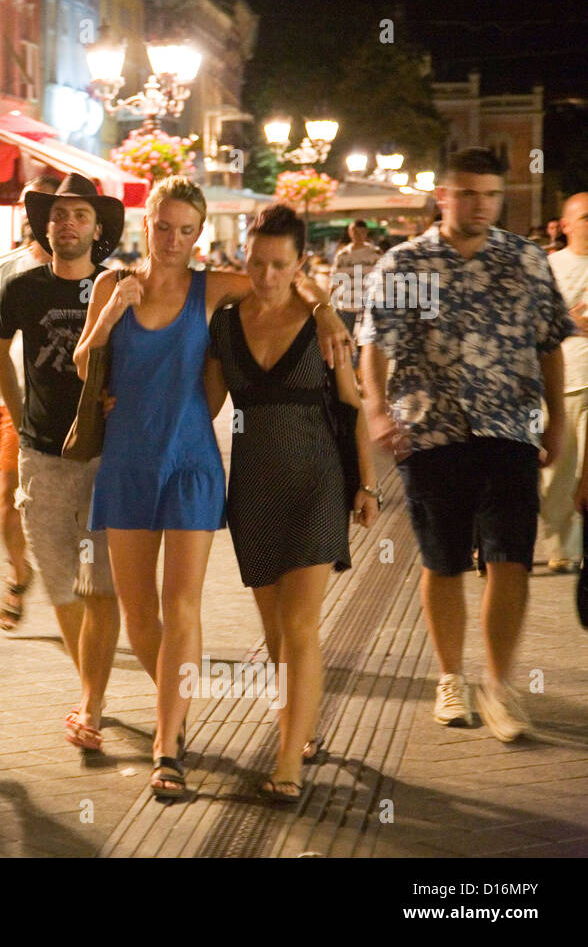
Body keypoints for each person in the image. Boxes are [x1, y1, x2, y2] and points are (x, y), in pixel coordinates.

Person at [74, 175, 347, 800]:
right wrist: (112, 313)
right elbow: (84, 363)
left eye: (186, 230)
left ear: (201, 236)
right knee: (140, 614)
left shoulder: (211, 287)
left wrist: (326, 306)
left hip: (193, 462)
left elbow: (279, 278)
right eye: (163, 226)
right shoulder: (112, 286)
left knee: (184, 608)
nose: (173, 239)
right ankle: (180, 700)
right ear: (146, 224)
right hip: (127, 464)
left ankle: (167, 744)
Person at [359, 147, 575, 742]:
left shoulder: (525, 260)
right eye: (468, 192)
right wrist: (376, 408)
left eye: (490, 194)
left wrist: (557, 418)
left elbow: (549, 342)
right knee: (444, 560)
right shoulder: (405, 264)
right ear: (443, 195)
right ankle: (451, 677)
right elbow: (375, 343)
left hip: (510, 428)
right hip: (433, 430)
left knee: (511, 558)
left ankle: (500, 684)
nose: (480, 204)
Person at [204, 205, 380, 801]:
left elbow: (353, 404)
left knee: (301, 626)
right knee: (276, 630)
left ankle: (287, 763)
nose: (267, 274)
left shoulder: (321, 323)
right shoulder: (226, 326)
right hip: (252, 486)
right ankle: (298, 726)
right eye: (257, 262)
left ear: (299, 263)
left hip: (316, 483)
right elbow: (200, 408)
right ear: (244, 259)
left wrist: (367, 483)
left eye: (281, 264)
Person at [0, 173, 123, 751]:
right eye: (58, 215)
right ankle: (89, 683)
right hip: (41, 456)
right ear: (45, 225)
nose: (66, 224)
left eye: (79, 215)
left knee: (101, 583)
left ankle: (90, 701)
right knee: (60, 584)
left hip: (104, 456)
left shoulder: (117, 289)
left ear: (98, 229)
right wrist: (18, 420)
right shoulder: (22, 289)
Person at [0, 174, 58, 630]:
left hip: (71, 404)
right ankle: (19, 573)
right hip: (17, 400)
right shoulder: (7, 268)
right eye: (27, 204)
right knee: (7, 502)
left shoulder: (93, 272)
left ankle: (74, 586)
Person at [543, 193, 588, 571]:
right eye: (586, 217)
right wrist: (572, 324)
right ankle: (563, 546)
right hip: (565, 380)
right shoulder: (550, 266)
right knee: (561, 469)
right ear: (567, 224)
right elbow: (536, 324)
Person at [329, 219, 382, 344]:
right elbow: (334, 281)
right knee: (345, 343)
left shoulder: (375, 254)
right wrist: (331, 305)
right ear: (350, 233)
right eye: (355, 232)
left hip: (368, 307)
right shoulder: (342, 255)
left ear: (366, 233)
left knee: (366, 343)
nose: (358, 235)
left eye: (361, 232)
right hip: (346, 307)